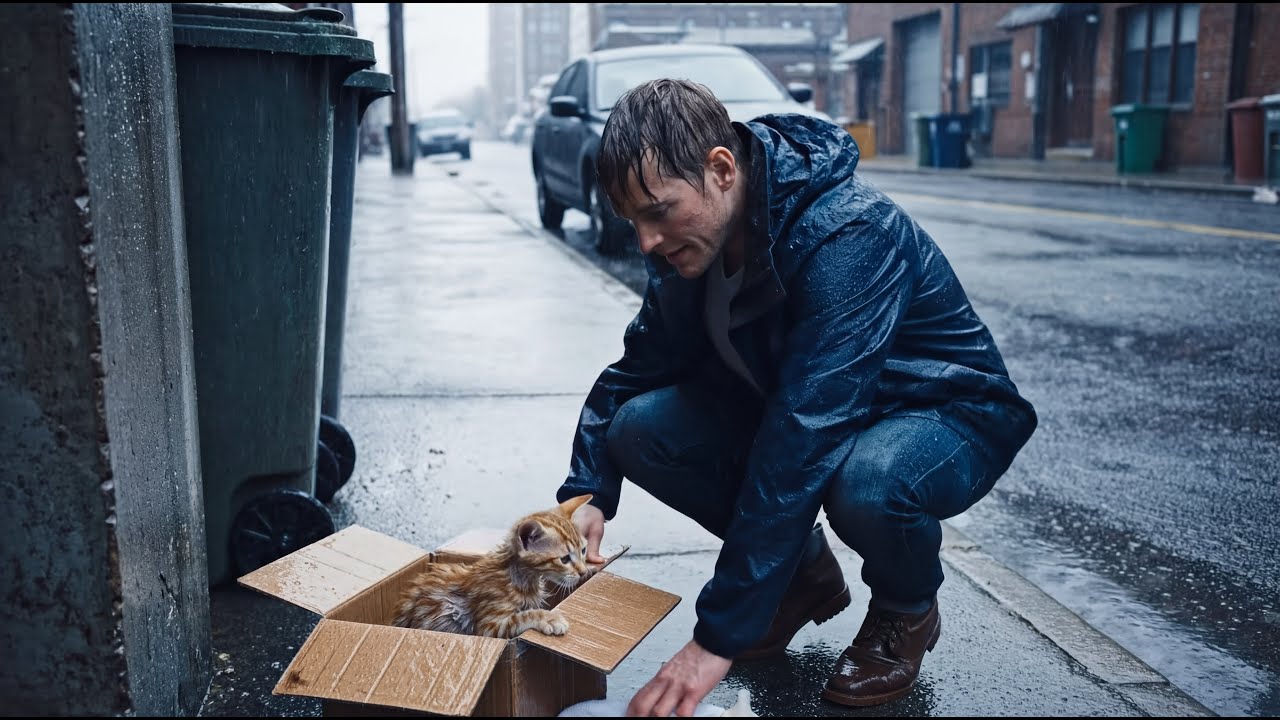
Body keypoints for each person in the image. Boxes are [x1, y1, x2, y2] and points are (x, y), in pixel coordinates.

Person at [556, 78, 1037, 716]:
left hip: (942, 412)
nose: (645, 241)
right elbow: (638, 369)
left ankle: (905, 609)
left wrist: (715, 638)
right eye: (634, 220)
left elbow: (803, 437)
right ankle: (803, 578)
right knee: (641, 428)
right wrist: (585, 495)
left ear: (721, 169)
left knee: (866, 481)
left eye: (658, 212)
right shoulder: (689, 249)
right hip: (821, 412)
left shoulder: (849, 234)